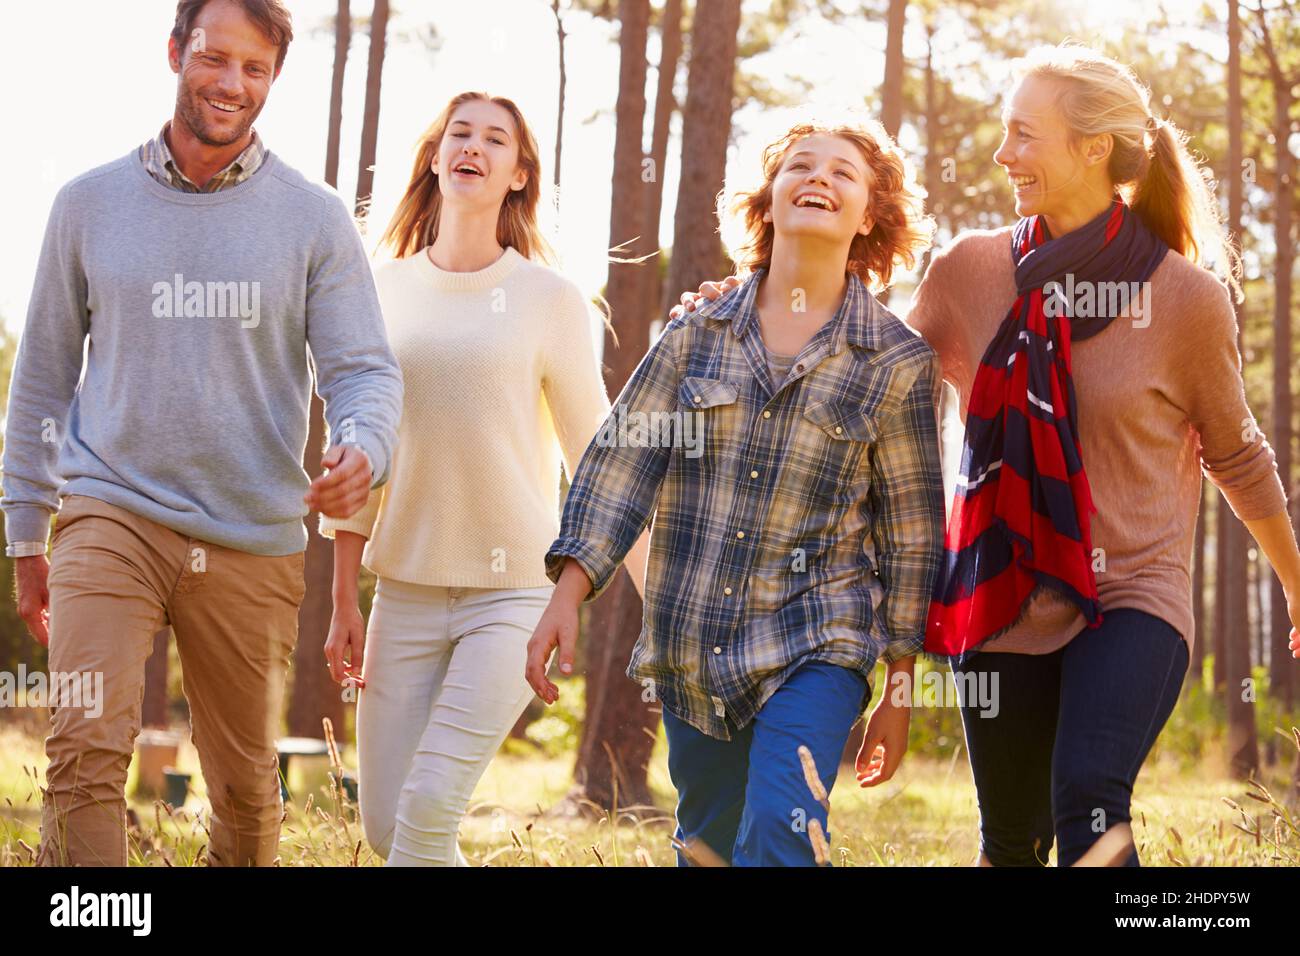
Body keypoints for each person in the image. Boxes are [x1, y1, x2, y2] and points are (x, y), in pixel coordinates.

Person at [672, 43, 1300, 868]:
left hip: (1134, 590)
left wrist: (1296, 586)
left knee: (1089, 798)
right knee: (1010, 841)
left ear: (1093, 148)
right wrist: (747, 299)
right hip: (1003, 595)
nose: (1003, 154)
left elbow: (1238, 455)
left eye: (1022, 135)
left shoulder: (1185, 299)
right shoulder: (970, 272)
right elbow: (862, 361)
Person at [1, 0, 403, 866]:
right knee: (83, 748)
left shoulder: (314, 217)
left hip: (251, 529)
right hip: (111, 507)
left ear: (272, 79)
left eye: (254, 69)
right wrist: (29, 533)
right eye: (215, 59)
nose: (231, 84)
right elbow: (41, 377)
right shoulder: (88, 204)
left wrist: (363, 449)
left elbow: (363, 371)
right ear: (176, 50)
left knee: (248, 791)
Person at [525, 118, 945, 866]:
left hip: (822, 640)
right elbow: (622, 465)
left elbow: (910, 529)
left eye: (842, 173)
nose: (818, 178)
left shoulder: (896, 363)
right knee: (710, 841)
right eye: (800, 167)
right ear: (769, 199)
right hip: (695, 644)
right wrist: (567, 590)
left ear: (870, 214)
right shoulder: (695, 333)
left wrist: (901, 681)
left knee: (784, 830)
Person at [319, 91, 646, 867]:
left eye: (495, 139)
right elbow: (360, 447)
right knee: (388, 830)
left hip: (513, 596)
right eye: (458, 134)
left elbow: (597, 459)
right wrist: (341, 598)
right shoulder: (380, 289)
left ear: (519, 174)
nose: (473, 146)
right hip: (402, 590)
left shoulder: (552, 301)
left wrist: (643, 595)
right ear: (435, 158)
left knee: (429, 809)